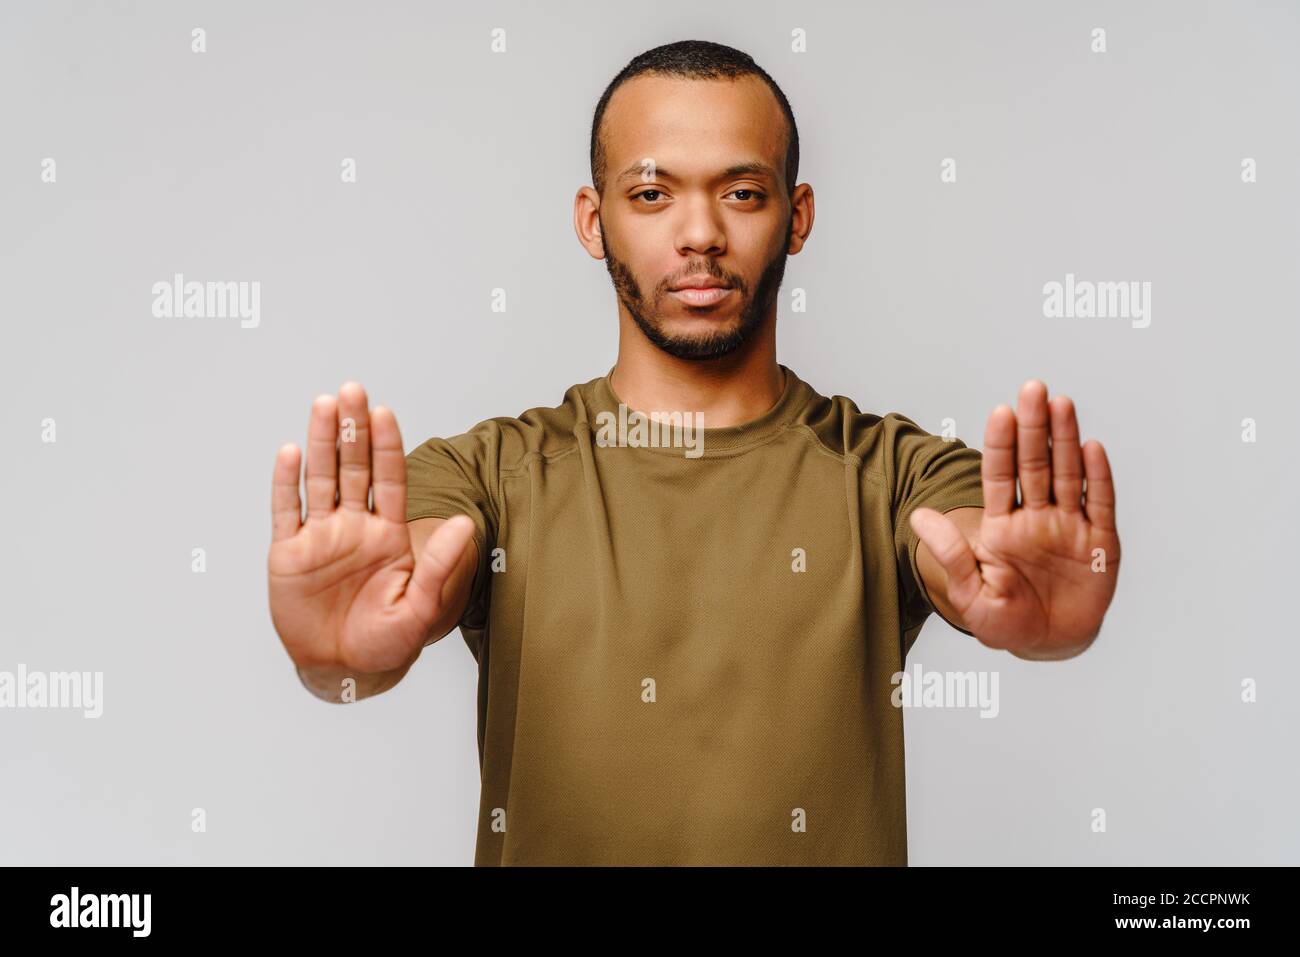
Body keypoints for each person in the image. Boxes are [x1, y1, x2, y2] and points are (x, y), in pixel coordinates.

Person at [267, 40, 1121, 866]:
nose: (700, 233)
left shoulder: (894, 473)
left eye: (743, 192)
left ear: (799, 216)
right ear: (592, 221)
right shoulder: (492, 474)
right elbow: (406, 580)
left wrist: (1038, 623)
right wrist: (338, 661)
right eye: (651, 195)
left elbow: (974, 546)